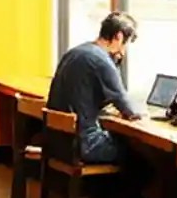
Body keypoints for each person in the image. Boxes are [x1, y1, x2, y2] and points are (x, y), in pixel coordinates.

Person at [45, 12, 142, 164]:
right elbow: (128, 108)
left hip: (57, 142)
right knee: (140, 156)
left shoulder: (73, 53)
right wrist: (143, 112)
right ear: (119, 37)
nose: (124, 51)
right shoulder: (101, 60)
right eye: (126, 44)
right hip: (85, 145)